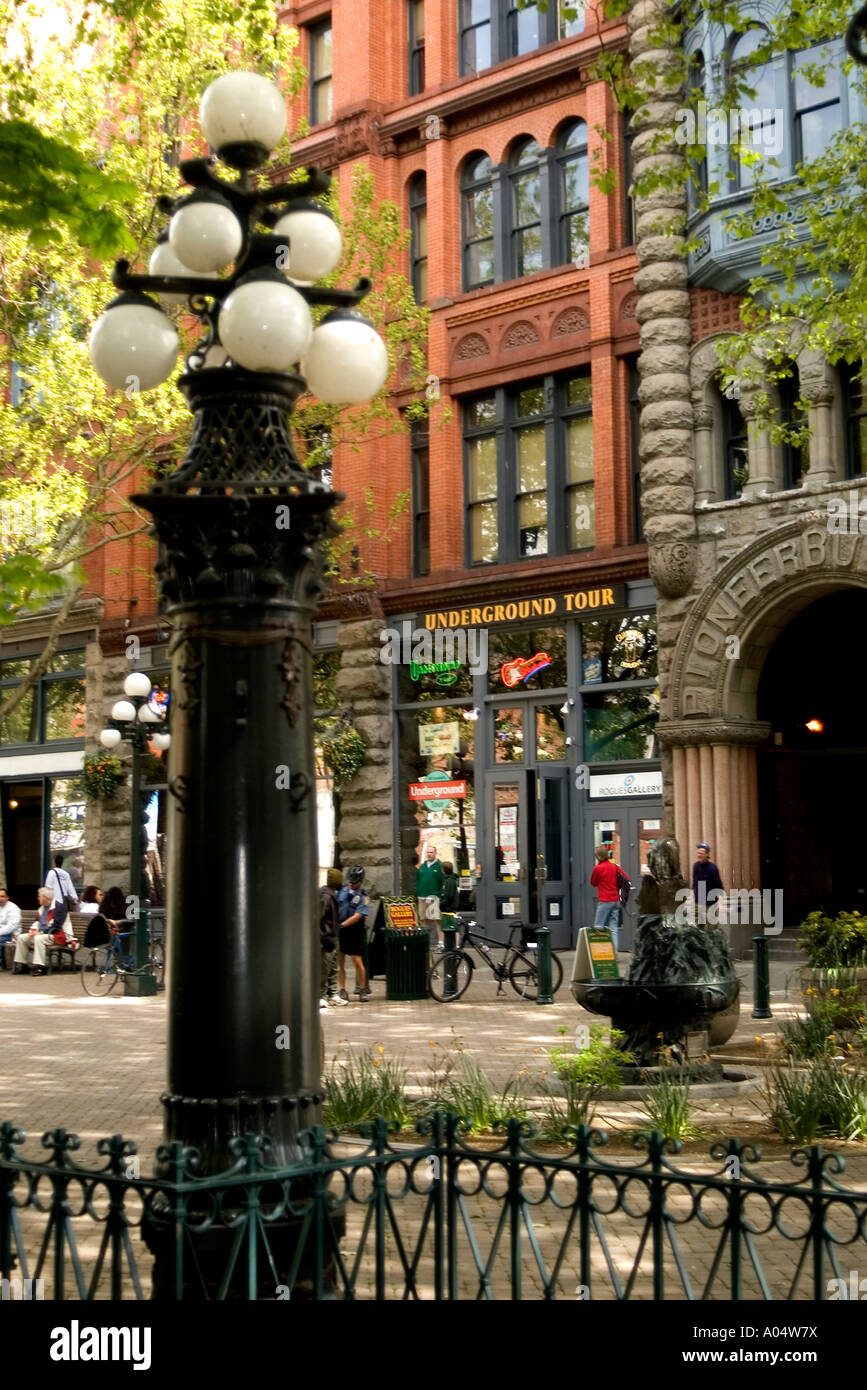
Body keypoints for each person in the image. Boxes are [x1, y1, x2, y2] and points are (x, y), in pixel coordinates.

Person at [336, 866, 371, 1002]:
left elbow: (358, 916)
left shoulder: (364, 897)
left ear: (360, 881)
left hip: (355, 932)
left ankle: (363, 990)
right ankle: (342, 990)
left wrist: (342, 925)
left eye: (354, 882)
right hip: (341, 932)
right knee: (340, 961)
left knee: (357, 961)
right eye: (350, 881)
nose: (351, 883)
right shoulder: (341, 891)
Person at [12, 888, 55, 976]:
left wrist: (40, 933)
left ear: (46, 897)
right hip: (42, 935)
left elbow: (56, 927)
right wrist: (33, 930)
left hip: (55, 935)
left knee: (38, 938)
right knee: (21, 937)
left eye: (39, 896)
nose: (37, 898)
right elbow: (37, 922)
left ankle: (40, 967)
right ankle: (22, 965)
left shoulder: (59, 908)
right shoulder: (42, 908)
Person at [590, 844, 624, 953]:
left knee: (598, 926)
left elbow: (593, 883)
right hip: (615, 900)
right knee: (613, 928)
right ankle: (614, 954)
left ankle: (599, 955)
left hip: (605, 900)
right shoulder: (614, 866)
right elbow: (625, 878)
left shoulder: (598, 868)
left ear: (597, 857)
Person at [319, 869, 344, 1010]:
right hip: (327, 939)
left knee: (333, 968)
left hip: (331, 937)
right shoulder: (326, 897)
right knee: (325, 968)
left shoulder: (329, 895)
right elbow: (319, 918)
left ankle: (331, 994)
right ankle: (322, 996)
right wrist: (324, 936)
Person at [415, 843, 444, 945]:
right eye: (428, 852)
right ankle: (425, 941)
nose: (429, 854)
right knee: (424, 919)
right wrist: (417, 890)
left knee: (437, 920)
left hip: (434, 897)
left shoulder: (440, 866)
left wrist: (438, 893)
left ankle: (441, 941)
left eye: (431, 852)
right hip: (422, 896)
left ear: (435, 853)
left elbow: (443, 882)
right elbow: (418, 880)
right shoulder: (422, 866)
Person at [692, 843, 725, 924]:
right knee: (698, 930)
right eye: (698, 853)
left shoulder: (713, 868)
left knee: (712, 930)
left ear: (707, 854)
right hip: (698, 903)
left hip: (711, 904)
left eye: (701, 853)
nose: (699, 855)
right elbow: (694, 884)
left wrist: (721, 905)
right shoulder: (695, 866)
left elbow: (719, 887)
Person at [0, 888, 22, 970]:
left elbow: (12, 926)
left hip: (12, 934)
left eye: (2, 896)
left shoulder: (13, 908)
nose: (0, 899)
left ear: (7, 897)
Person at [439, 860, 459, 949]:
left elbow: (449, 896)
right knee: (449, 932)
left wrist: (441, 904)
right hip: (447, 910)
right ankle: (450, 949)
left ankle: (451, 950)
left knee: (450, 932)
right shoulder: (449, 880)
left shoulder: (449, 881)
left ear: (444, 870)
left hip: (449, 910)